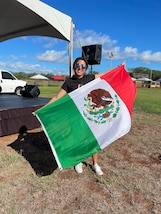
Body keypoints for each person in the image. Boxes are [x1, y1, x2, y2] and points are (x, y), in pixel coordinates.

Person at [47, 57, 107, 176]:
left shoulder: (89, 78)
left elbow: (104, 75)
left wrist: (119, 68)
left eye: (83, 66)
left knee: (93, 139)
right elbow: (57, 97)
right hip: (76, 116)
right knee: (78, 139)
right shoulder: (68, 83)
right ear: (74, 67)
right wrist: (43, 108)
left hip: (90, 114)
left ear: (85, 69)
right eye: (78, 65)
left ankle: (95, 164)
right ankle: (78, 161)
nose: (80, 68)